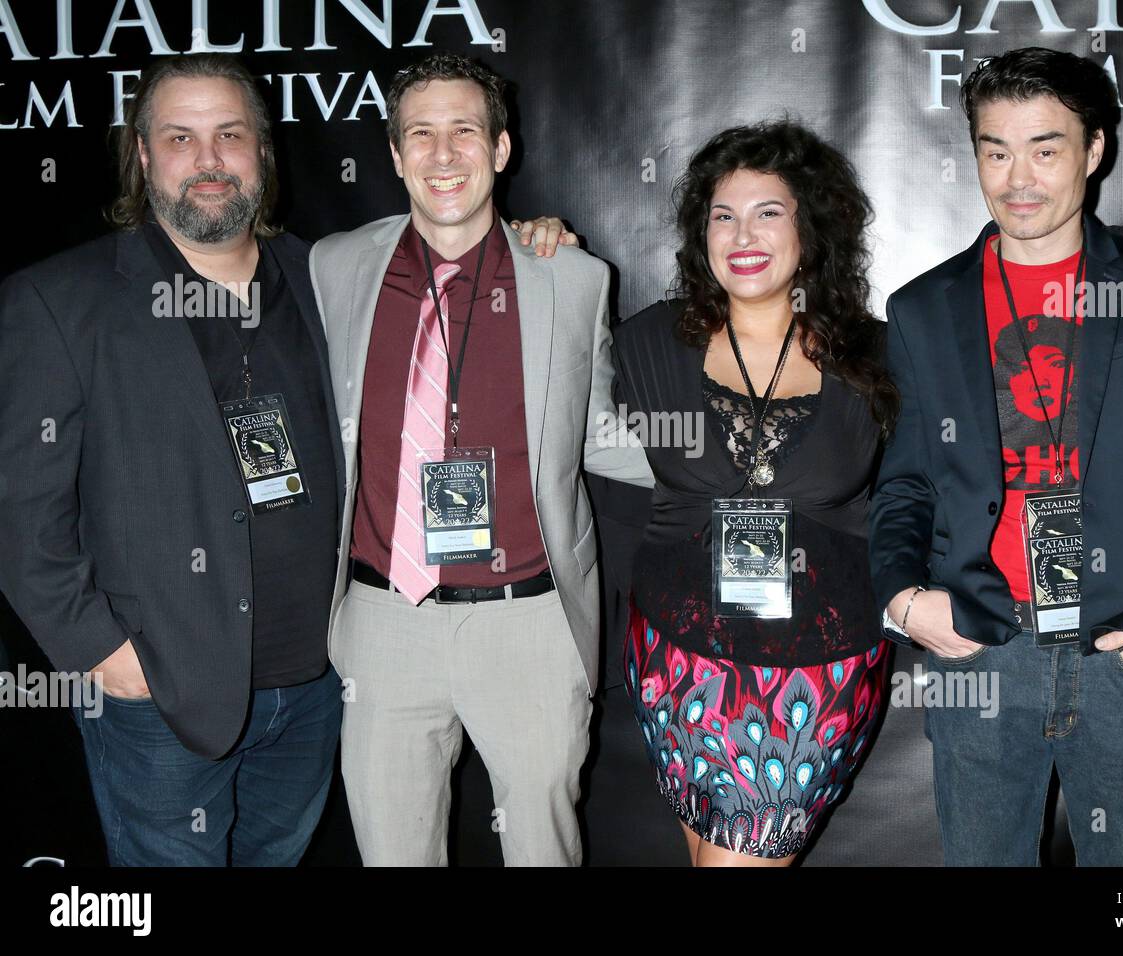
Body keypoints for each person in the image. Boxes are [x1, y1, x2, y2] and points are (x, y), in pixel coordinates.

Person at [868, 47, 1123, 866]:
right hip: (982, 648)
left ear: (1094, 151)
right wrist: (904, 600)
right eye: (995, 149)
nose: (1019, 177)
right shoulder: (924, 309)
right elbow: (904, 484)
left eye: (1046, 149)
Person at [0, 54, 346, 865]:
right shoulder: (61, 300)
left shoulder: (325, 279)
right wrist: (103, 656)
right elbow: (18, 509)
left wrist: (534, 243)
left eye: (229, 135)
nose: (209, 159)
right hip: (160, 693)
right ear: (143, 156)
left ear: (262, 151)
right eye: (180, 137)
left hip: (318, 681)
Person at [309, 52, 653, 867]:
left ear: (502, 149)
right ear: (393, 155)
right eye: (419, 134)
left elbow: (597, 432)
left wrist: (742, 460)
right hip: (383, 622)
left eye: (465, 130)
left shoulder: (570, 276)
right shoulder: (335, 267)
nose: (443, 153)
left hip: (529, 624)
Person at [613, 121, 898, 866]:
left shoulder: (878, 356)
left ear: (812, 228)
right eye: (723, 215)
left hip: (818, 669)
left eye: (769, 211)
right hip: (677, 659)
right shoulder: (645, 343)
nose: (743, 233)